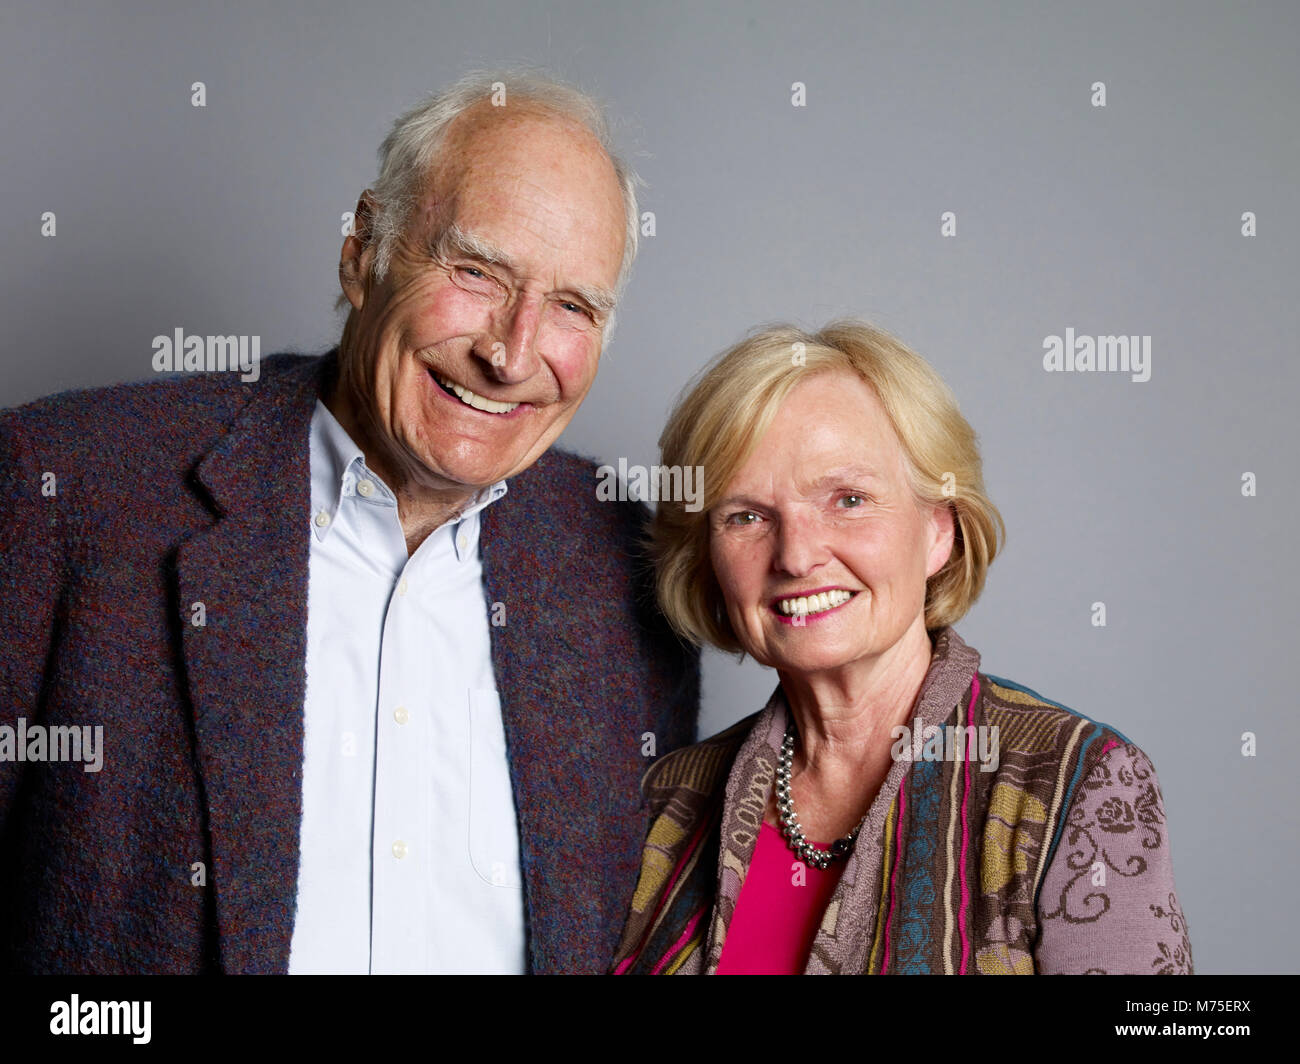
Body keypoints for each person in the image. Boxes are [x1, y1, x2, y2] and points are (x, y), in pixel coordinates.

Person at [0, 71, 698, 974]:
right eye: (477, 271)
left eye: (573, 306)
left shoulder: (626, 566)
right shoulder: (64, 488)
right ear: (362, 250)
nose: (512, 353)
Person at [612, 321, 1192, 975]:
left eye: (849, 500)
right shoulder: (663, 804)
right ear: (709, 558)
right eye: (746, 515)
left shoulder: (1073, 783)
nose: (797, 555)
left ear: (938, 530)